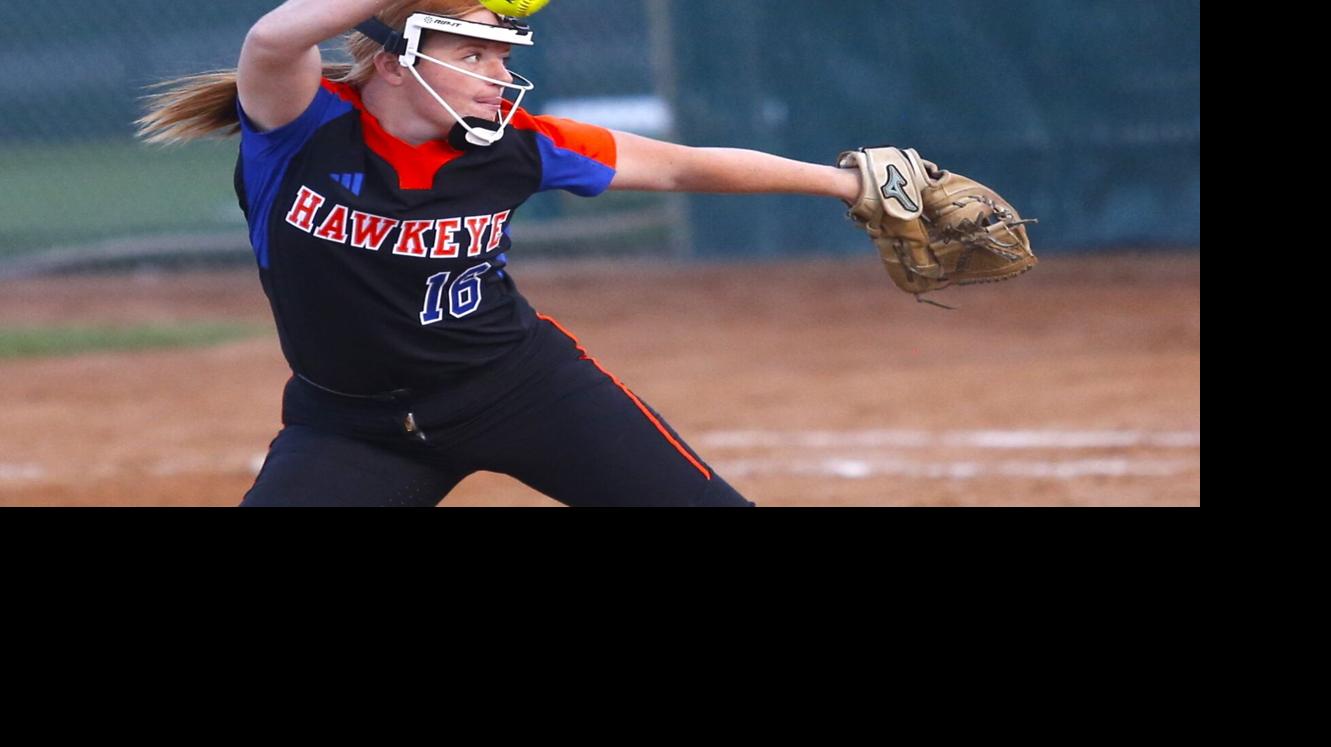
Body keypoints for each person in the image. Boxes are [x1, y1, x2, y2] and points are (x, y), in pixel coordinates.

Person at [137, 0, 866, 506]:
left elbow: (682, 167)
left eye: (503, 57)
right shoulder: (303, 128)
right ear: (395, 63)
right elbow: (273, 41)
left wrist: (848, 184)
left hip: (519, 389)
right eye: (473, 54)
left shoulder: (521, 146)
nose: (499, 75)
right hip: (352, 425)